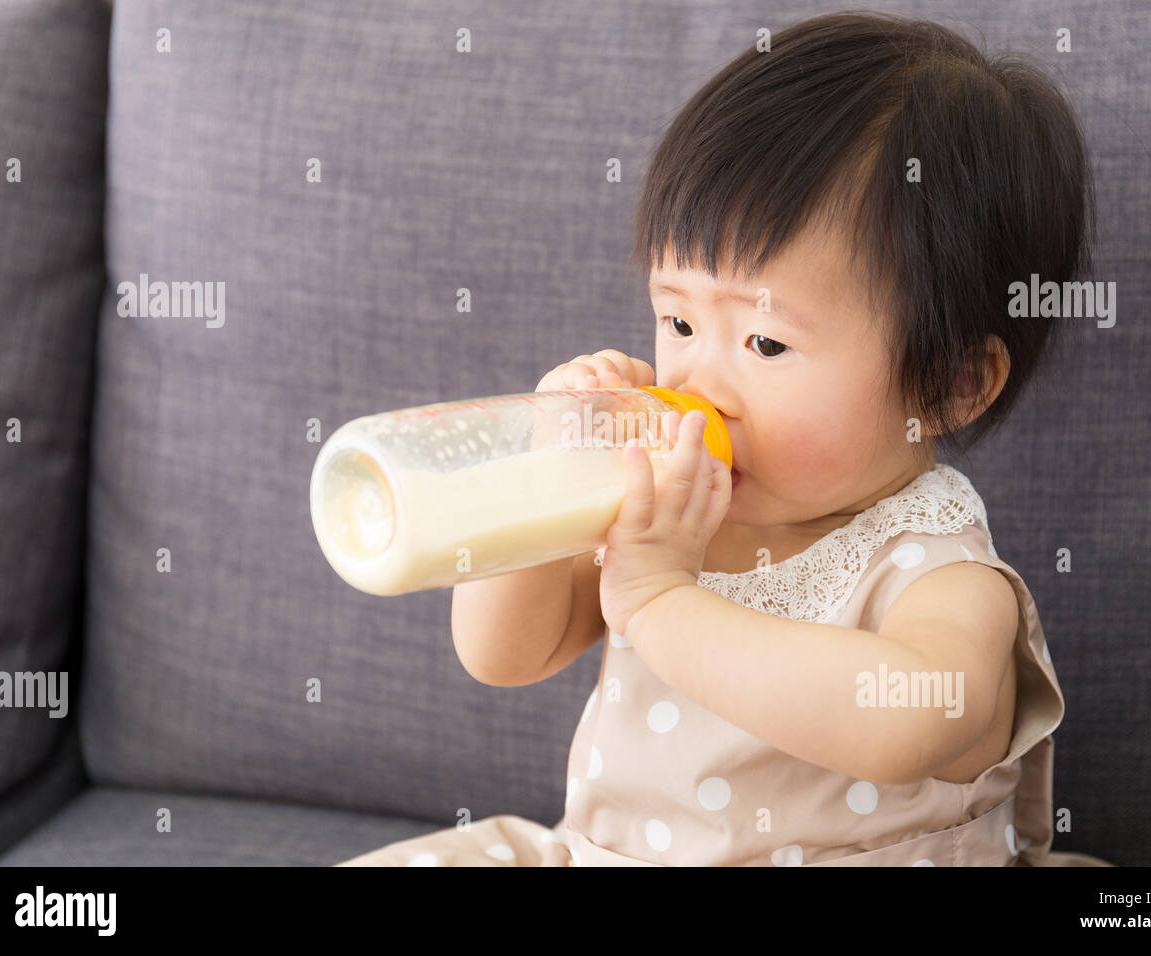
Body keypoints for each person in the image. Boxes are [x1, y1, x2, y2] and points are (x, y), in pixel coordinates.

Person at [337, 10, 1111, 867]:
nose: (698, 385)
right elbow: (501, 656)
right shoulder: (665, 510)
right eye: (677, 318)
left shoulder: (935, 568)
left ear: (951, 384)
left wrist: (666, 602)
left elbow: (919, 723)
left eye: (766, 343)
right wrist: (543, 481)